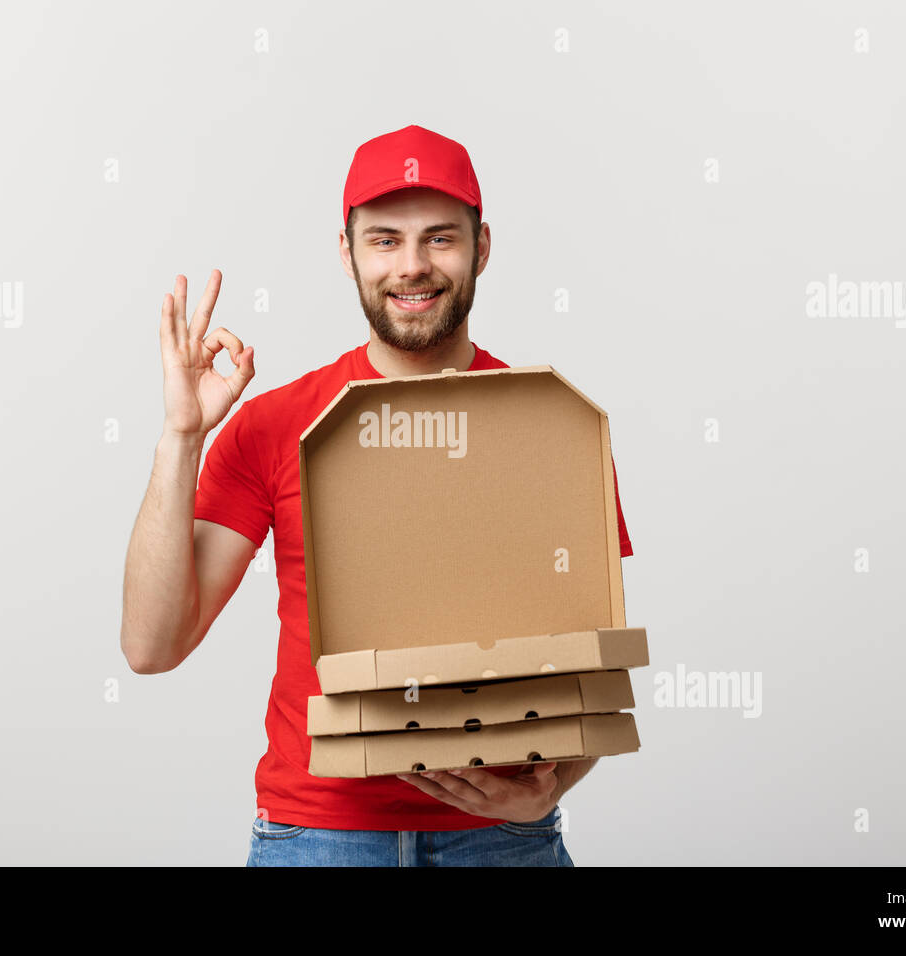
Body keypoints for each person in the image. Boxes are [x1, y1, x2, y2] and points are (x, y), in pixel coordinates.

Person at [119, 125, 633, 866]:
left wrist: (552, 788)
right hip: (318, 837)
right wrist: (180, 435)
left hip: (502, 843)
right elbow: (150, 644)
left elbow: (591, 665)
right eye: (385, 240)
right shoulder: (277, 425)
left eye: (441, 239)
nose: (413, 266)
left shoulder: (553, 424)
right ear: (347, 252)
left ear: (482, 248)